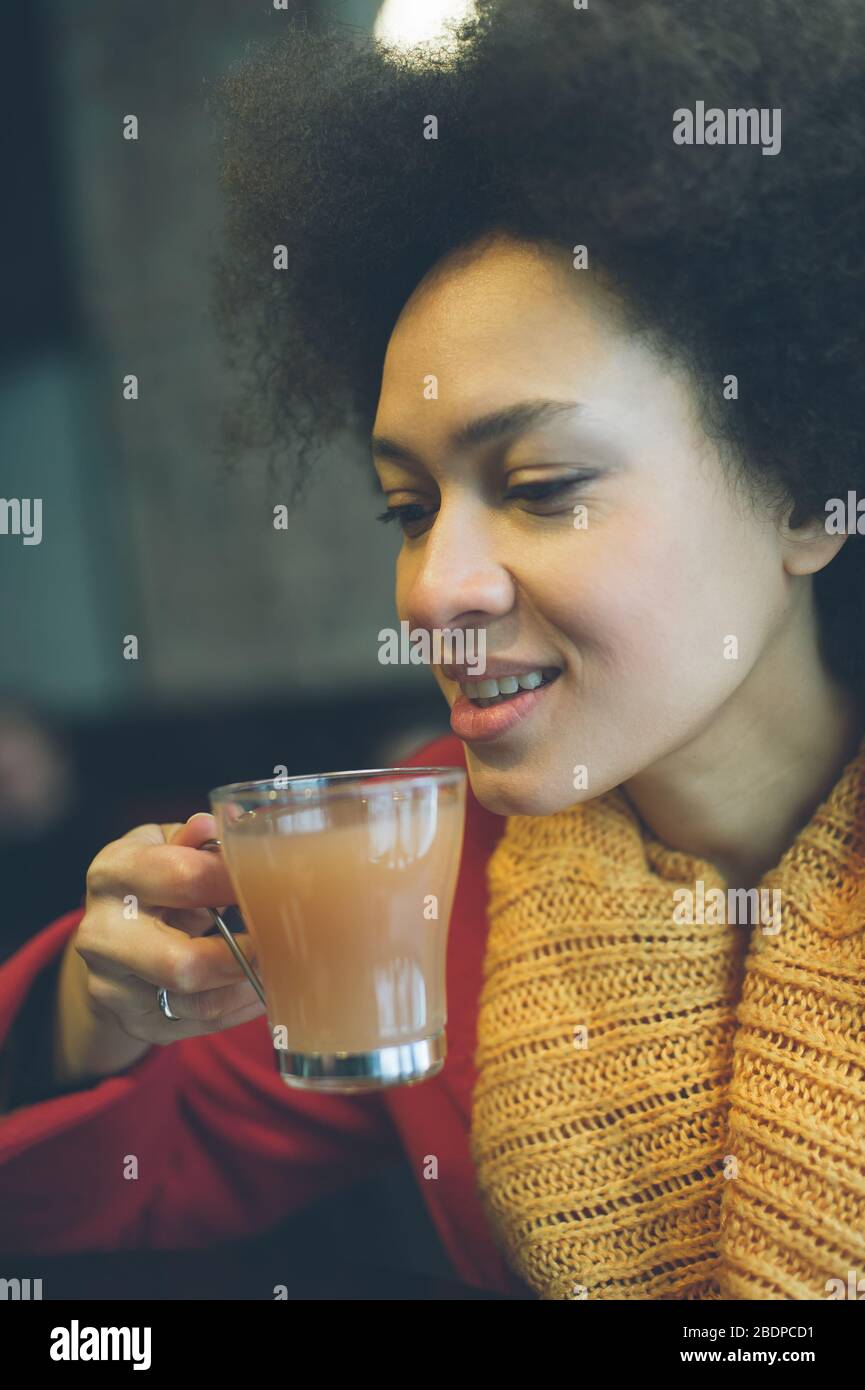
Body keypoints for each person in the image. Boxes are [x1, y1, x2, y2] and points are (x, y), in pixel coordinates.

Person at [2, 0, 864, 1301]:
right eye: (407, 509)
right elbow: (106, 1195)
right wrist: (86, 1014)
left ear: (805, 496)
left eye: (541, 481)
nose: (434, 586)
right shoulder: (420, 875)